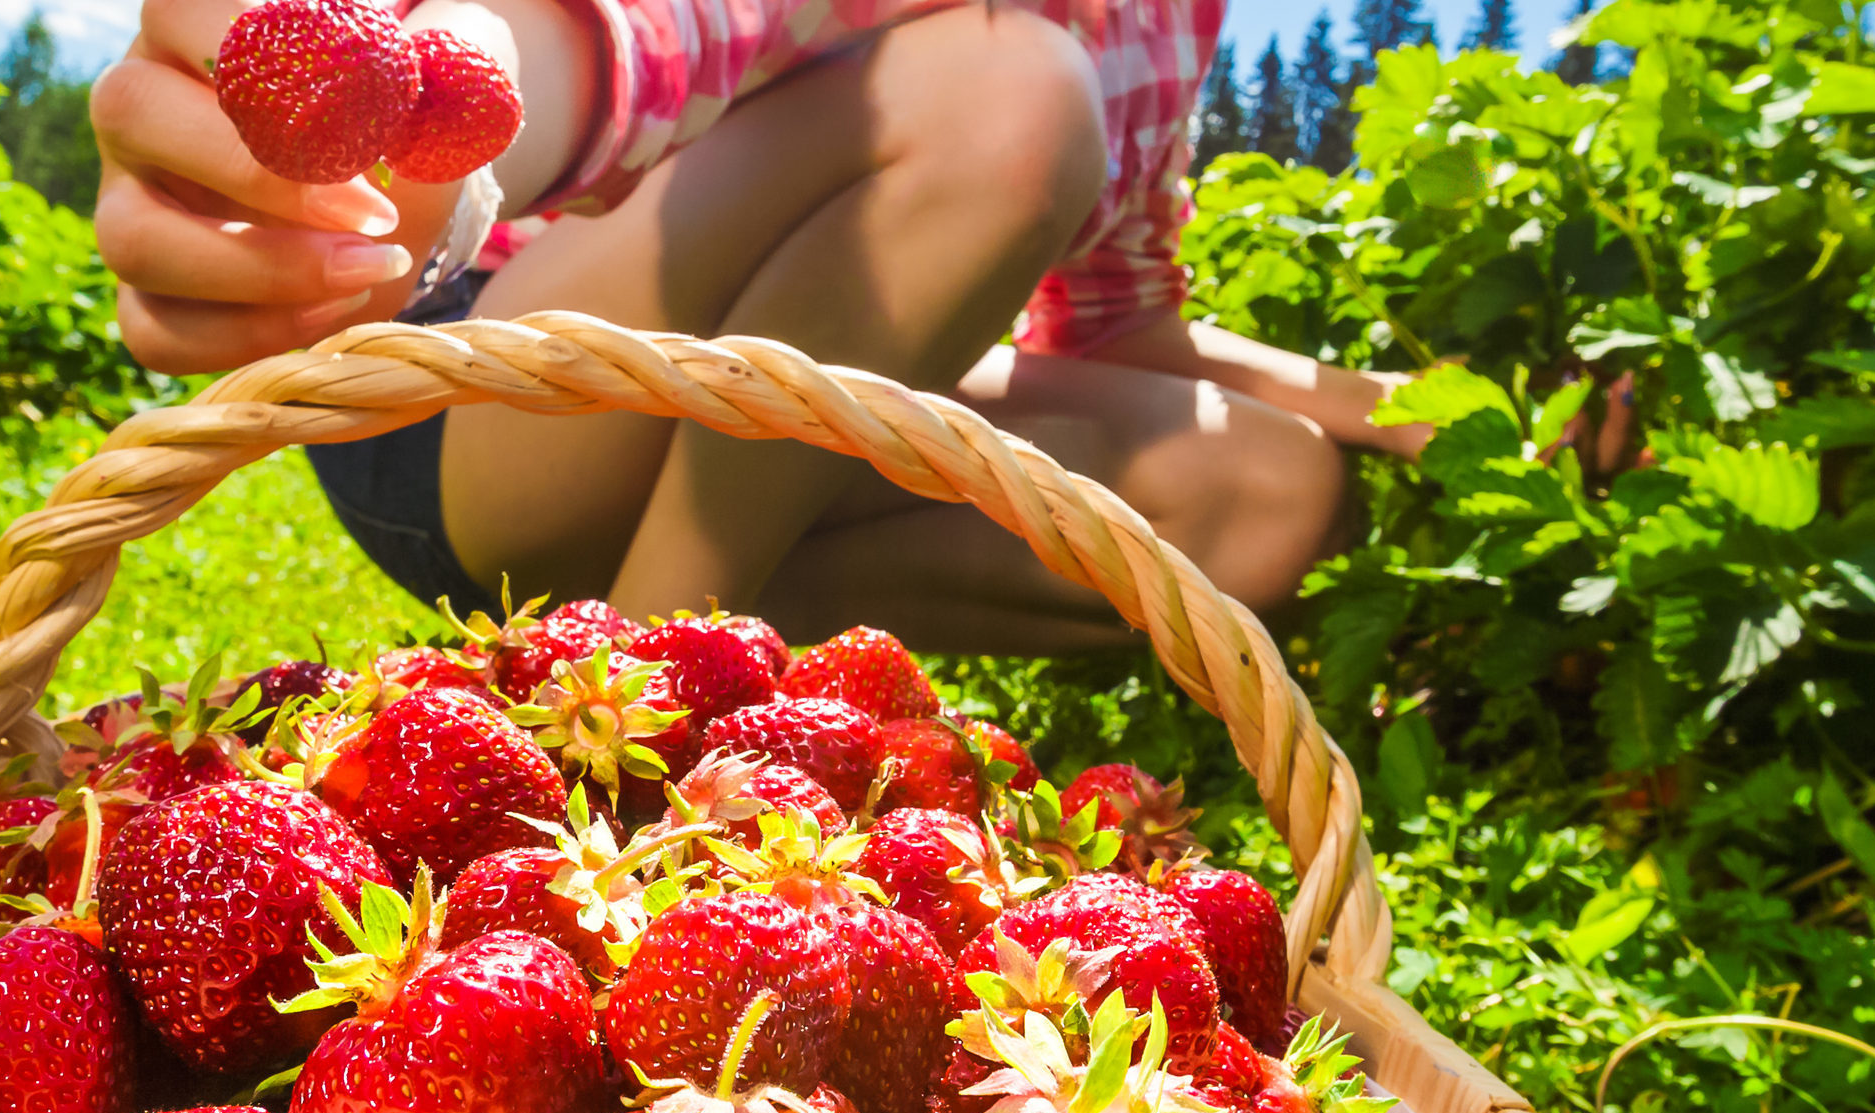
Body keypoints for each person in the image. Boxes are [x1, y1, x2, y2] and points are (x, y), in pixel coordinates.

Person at [90, 0, 1433, 652]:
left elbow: (1124, 323)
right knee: (1013, 93)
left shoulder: (1168, 20)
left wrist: (1404, 407)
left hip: (718, 444)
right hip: (477, 392)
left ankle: (664, 643)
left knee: (1268, 493)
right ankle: (637, 699)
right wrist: (443, 102)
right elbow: (646, 35)